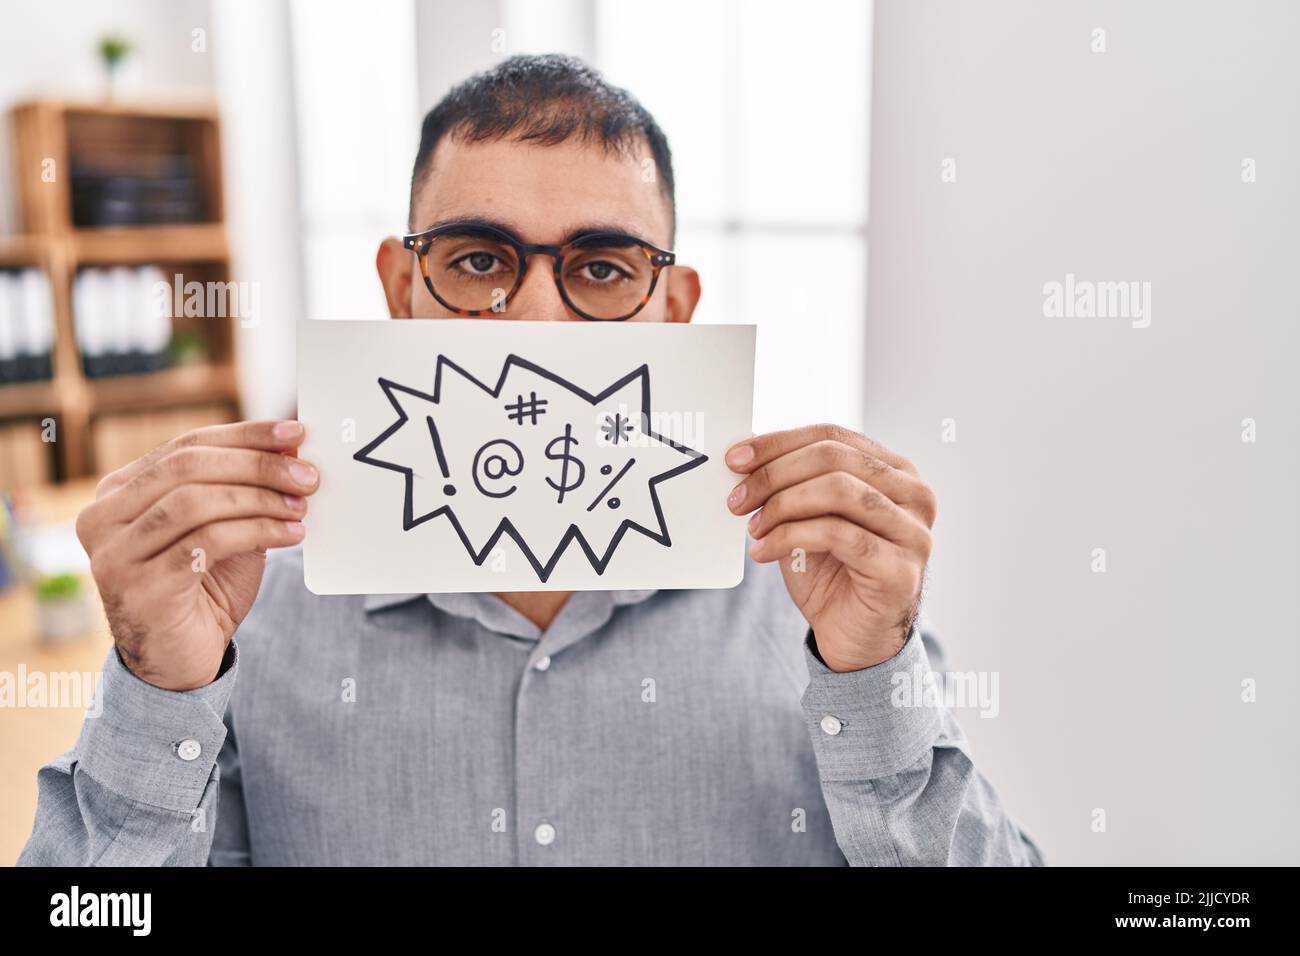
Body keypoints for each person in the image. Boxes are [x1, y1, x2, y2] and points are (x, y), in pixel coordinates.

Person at [21, 54, 1042, 866]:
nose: (538, 316)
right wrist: (157, 686)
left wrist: (871, 677)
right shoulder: (250, 617)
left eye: (602, 268)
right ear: (399, 287)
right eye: (476, 260)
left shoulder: (814, 601)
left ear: (673, 312)